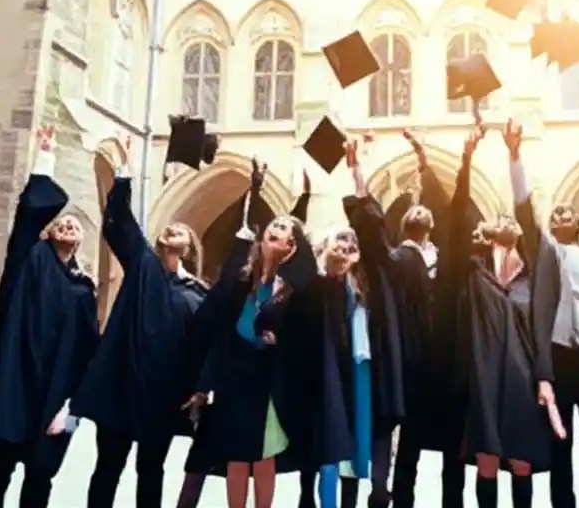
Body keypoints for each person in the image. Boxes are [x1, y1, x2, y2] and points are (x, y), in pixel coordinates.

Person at [71, 136, 210, 508]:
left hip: (163, 392)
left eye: (181, 230)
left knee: (150, 470)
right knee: (108, 467)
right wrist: (123, 174)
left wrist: (200, 390)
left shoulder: (198, 293)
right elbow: (119, 225)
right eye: (169, 229)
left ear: (191, 246)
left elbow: (203, 345)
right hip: (123, 383)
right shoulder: (144, 267)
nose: (172, 230)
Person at [0, 125, 99, 507]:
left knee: (41, 477)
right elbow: (28, 217)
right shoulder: (30, 264)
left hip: (56, 395)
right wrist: (45, 156)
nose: (68, 224)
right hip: (13, 382)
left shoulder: (83, 290)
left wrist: (73, 411)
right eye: (61, 222)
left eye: (75, 224)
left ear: (82, 240)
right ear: (47, 235)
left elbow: (87, 355)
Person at [447, 119, 561, 508]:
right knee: (487, 460)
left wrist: (514, 156)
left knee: (522, 459)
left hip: (523, 376)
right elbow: (457, 218)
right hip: (482, 375)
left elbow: (525, 212)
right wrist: (466, 161)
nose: (510, 223)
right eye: (503, 220)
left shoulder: (534, 272)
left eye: (514, 221)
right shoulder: (475, 270)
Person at [187, 158, 311, 508]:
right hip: (235, 376)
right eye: (274, 226)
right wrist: (204, 386)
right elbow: (223, 332)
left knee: (264, 453)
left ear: (292, 245)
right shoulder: (243, 278)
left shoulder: (292, 287)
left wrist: (278, 342)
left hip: (268, 379)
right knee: (236, 453)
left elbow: (300, 328)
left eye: (285, 229)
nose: (276, 228)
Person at [303, 137, 405, 508]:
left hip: (372, 372)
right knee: (341, 439)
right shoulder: (323, 286)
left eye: (352, 247)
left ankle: (379, 490)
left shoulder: (376, 278)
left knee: (373, 433)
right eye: (340, 246)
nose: (346, 250)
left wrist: (356, 172)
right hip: (338, 374)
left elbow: (373, 229)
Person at [515, 120, 579, 508]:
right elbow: (526, 216)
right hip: (557, 357)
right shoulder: (547, 253)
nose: (559, 217)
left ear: (578, 221)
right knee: (561, 440)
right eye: (554, 216)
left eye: (566, 213)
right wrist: (514, 157)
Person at [388, 129, 469, 508]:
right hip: (416, 366)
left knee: (454, 456)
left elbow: (457, 208)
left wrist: (447, 161)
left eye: (425, 208)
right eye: (413, 210)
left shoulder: (448, 259)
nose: (420, 209)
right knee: (409, 452)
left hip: (449, 365)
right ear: (405, 225)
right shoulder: (398, 260)